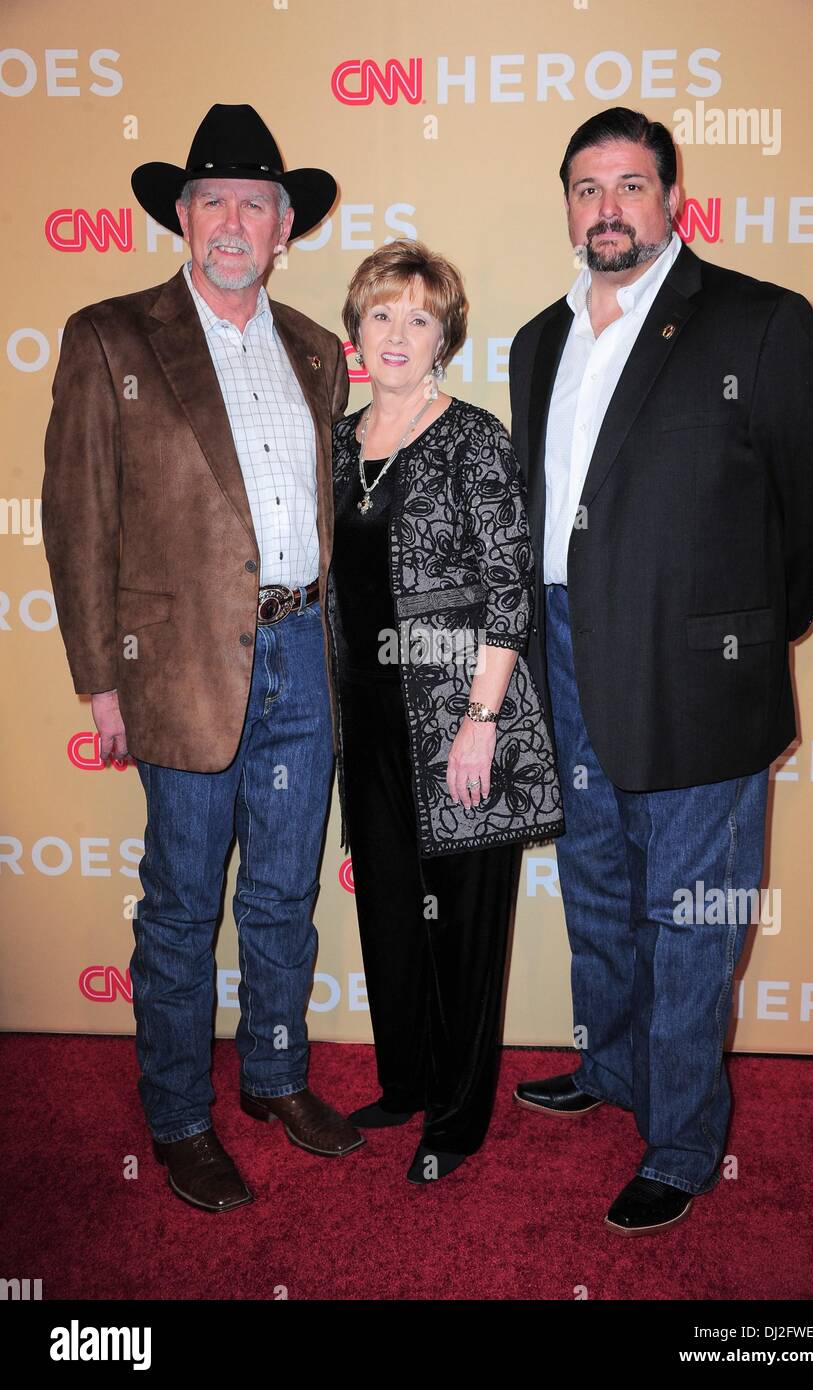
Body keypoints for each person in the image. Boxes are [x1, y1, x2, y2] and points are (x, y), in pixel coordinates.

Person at [509, 107, 813, 1235]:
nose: (607, 208)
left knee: (694, 916)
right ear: (568, 205)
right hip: (564, 653)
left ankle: (684, 1141)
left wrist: (756, 627)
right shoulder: (536, 340)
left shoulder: (758, 322)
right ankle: (611, 1067)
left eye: (630, 185)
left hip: (700, 670)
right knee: (601, 891)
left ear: (671, 199)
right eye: (586, 188)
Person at [42, 104, 363, 1214]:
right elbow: (78, 520)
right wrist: (98, 679)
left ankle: (274, 1076)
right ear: (182, 217)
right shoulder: (110, 336)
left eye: (256, 205)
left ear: (285, 227)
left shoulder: (319, 351)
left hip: (300, 656)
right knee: (182, 904)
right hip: (176, 669)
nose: (234, 222)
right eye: (213, 201)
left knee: (283, 895)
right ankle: (179, 1116)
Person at [327, 240, 563, 1183]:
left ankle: (458, 1118)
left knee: (465, 925)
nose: (397, 333)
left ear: (444, 337)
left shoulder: (473, 437)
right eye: (382, 314)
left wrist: (481, 719)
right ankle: (406, 1080)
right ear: (356, 330)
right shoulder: (335, 442)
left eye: (419, 318)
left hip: (460, 713)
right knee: (388, 907)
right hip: (366, 718)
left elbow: (511, 588)